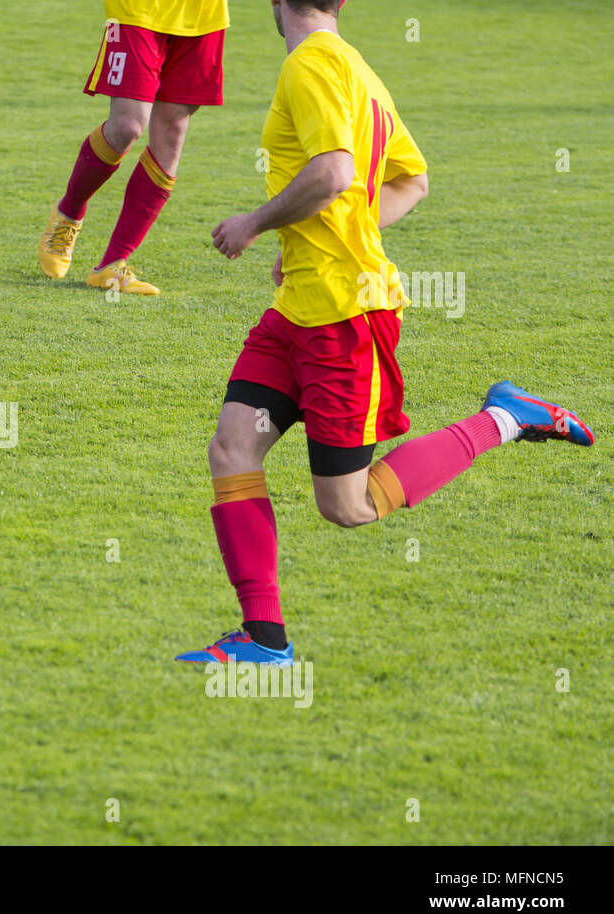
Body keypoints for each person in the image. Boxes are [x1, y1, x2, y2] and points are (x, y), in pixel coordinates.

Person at [176, 0, 594, 665]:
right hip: (298, 309)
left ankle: (507, 419)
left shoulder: (309, 63)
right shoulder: (359, 69)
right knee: (232, 449)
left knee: (348, 504)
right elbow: (413, 181)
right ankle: (263, 638)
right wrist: (321, 231)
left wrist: (256, 222)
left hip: (346, 315)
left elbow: (336, 171)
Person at [38, 0, 228, 296]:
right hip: (140, 10)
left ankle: (113, 264)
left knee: (173, 130)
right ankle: (69, 211)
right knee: (128, 125)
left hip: (204, 15)